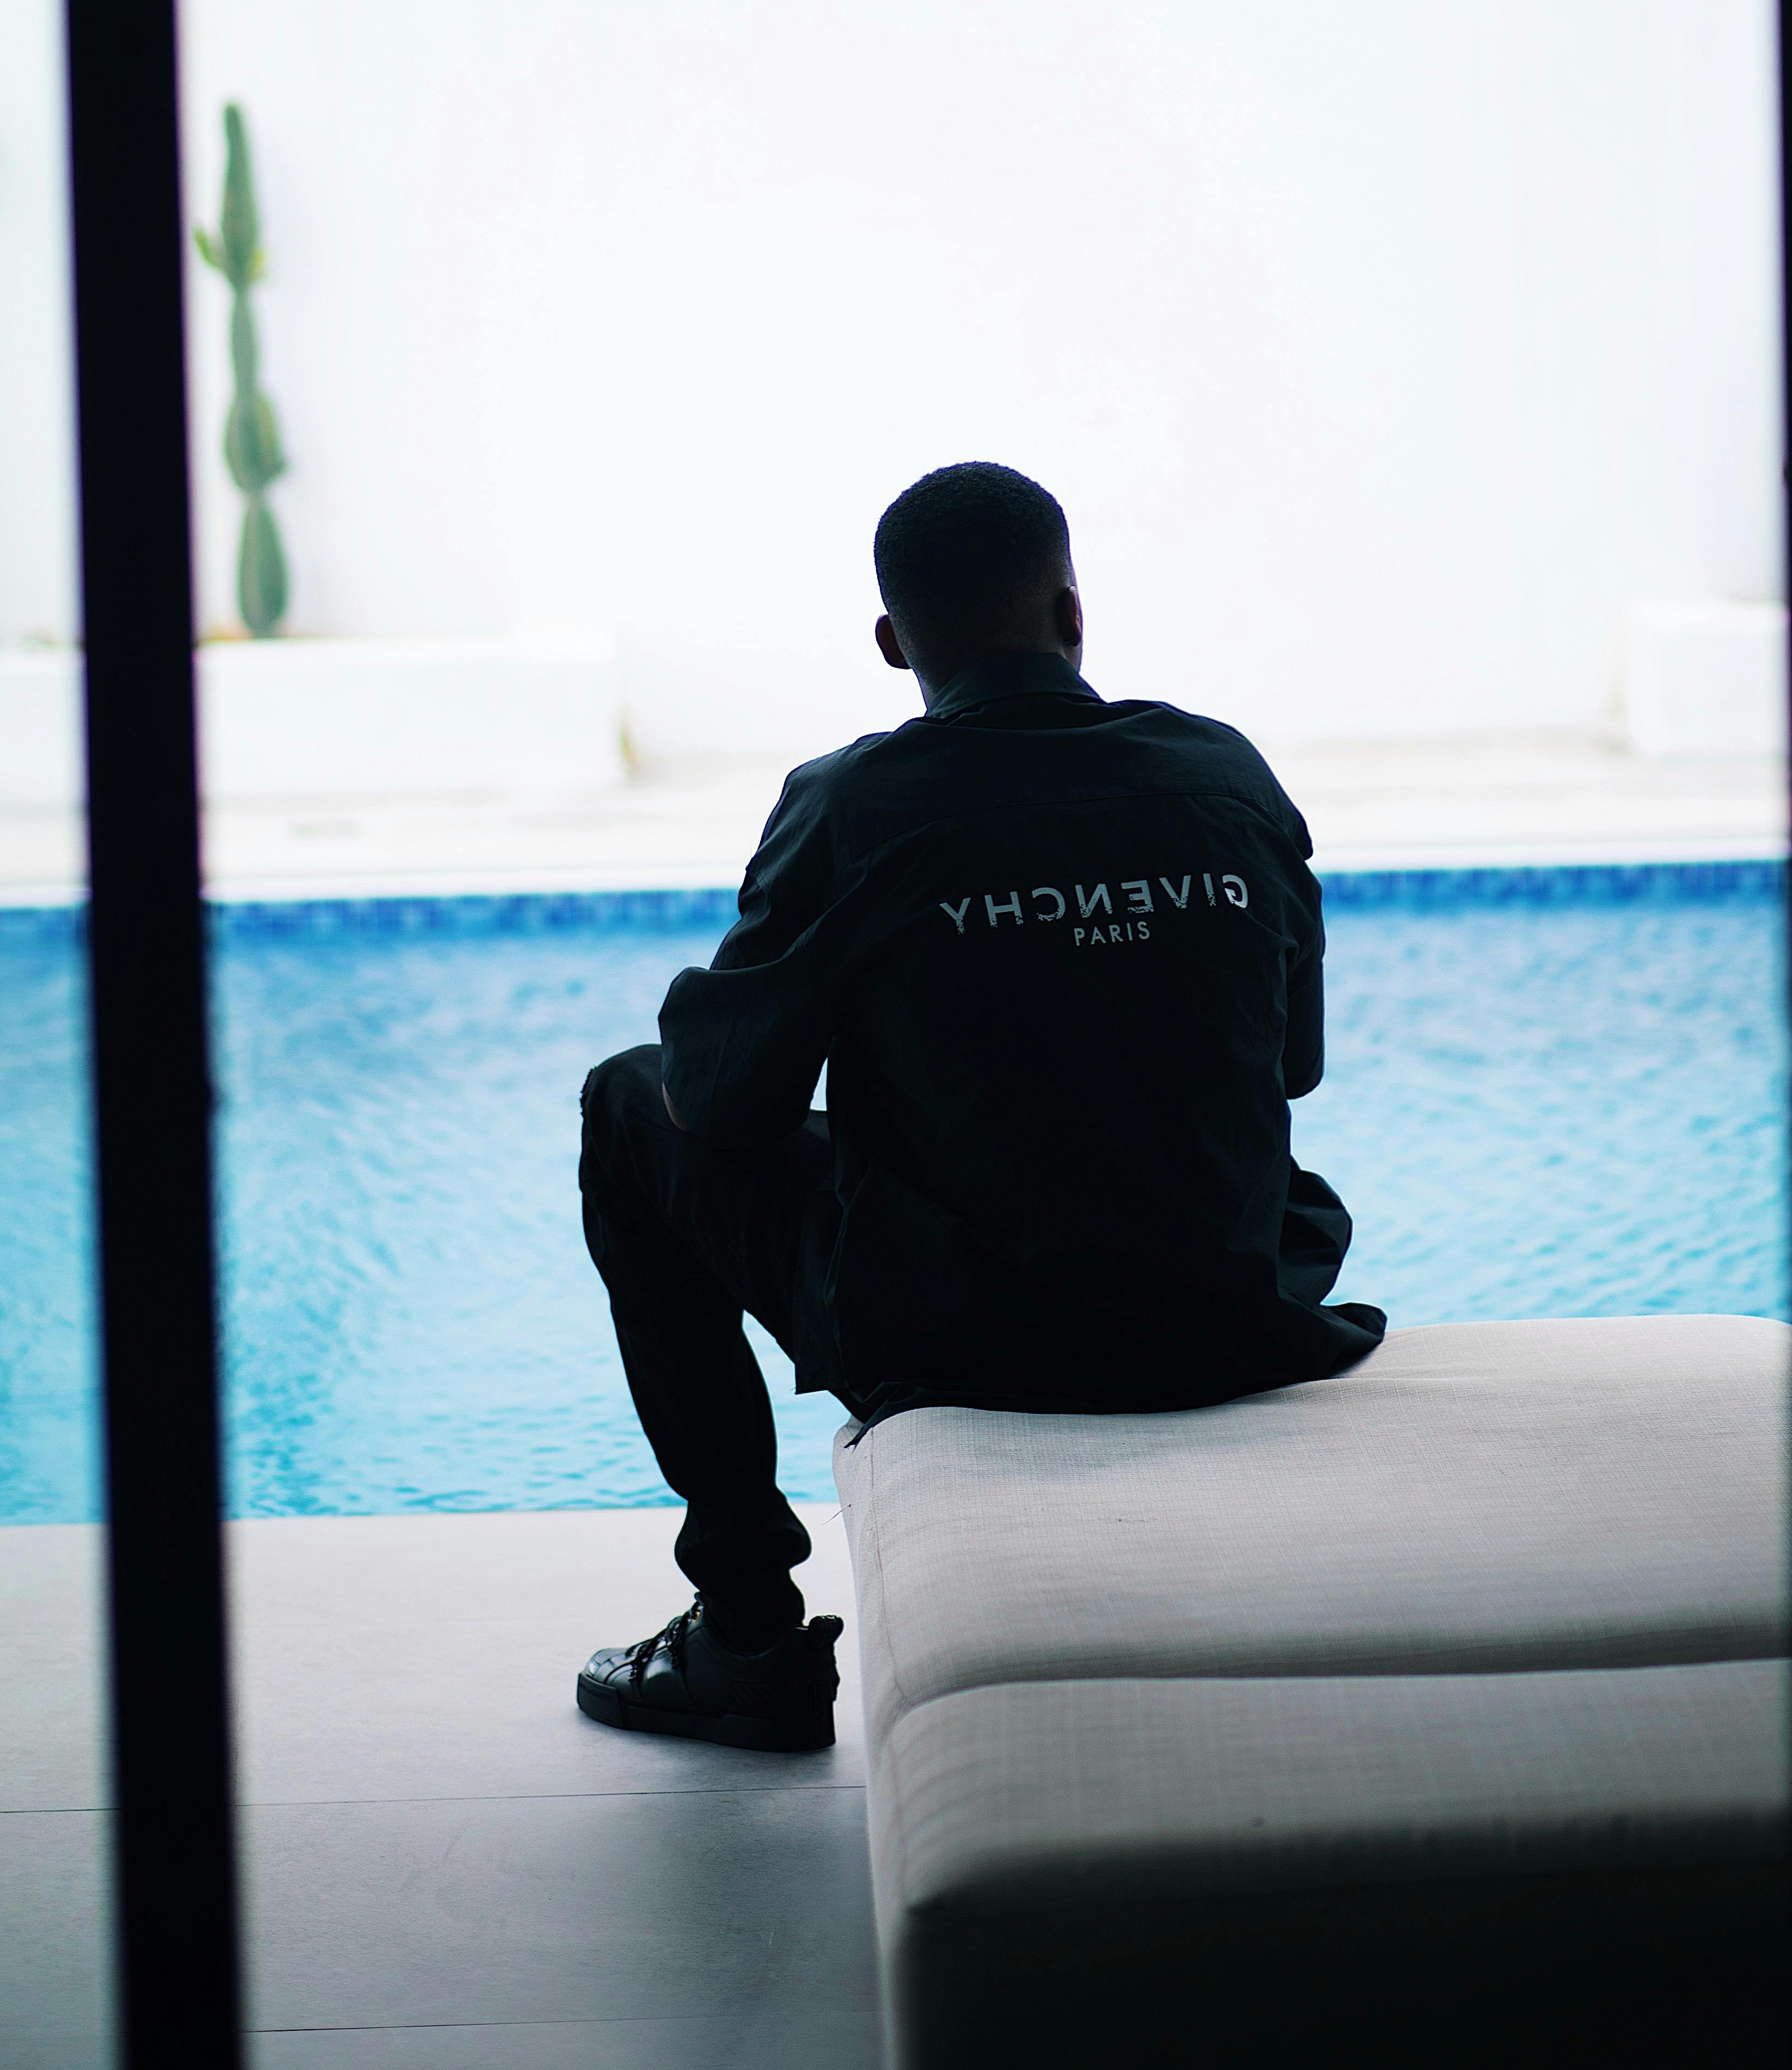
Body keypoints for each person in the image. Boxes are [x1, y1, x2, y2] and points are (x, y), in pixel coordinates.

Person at [573, 460, 1384, 1755]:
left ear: (894, 644)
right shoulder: (1223, 776)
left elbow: (723, 1108)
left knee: (629, 1105)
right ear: (1070, 615)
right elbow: (1290, 1067)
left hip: (979, 1332)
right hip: (1230, 1307)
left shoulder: (855, 806)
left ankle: (744, 1636)